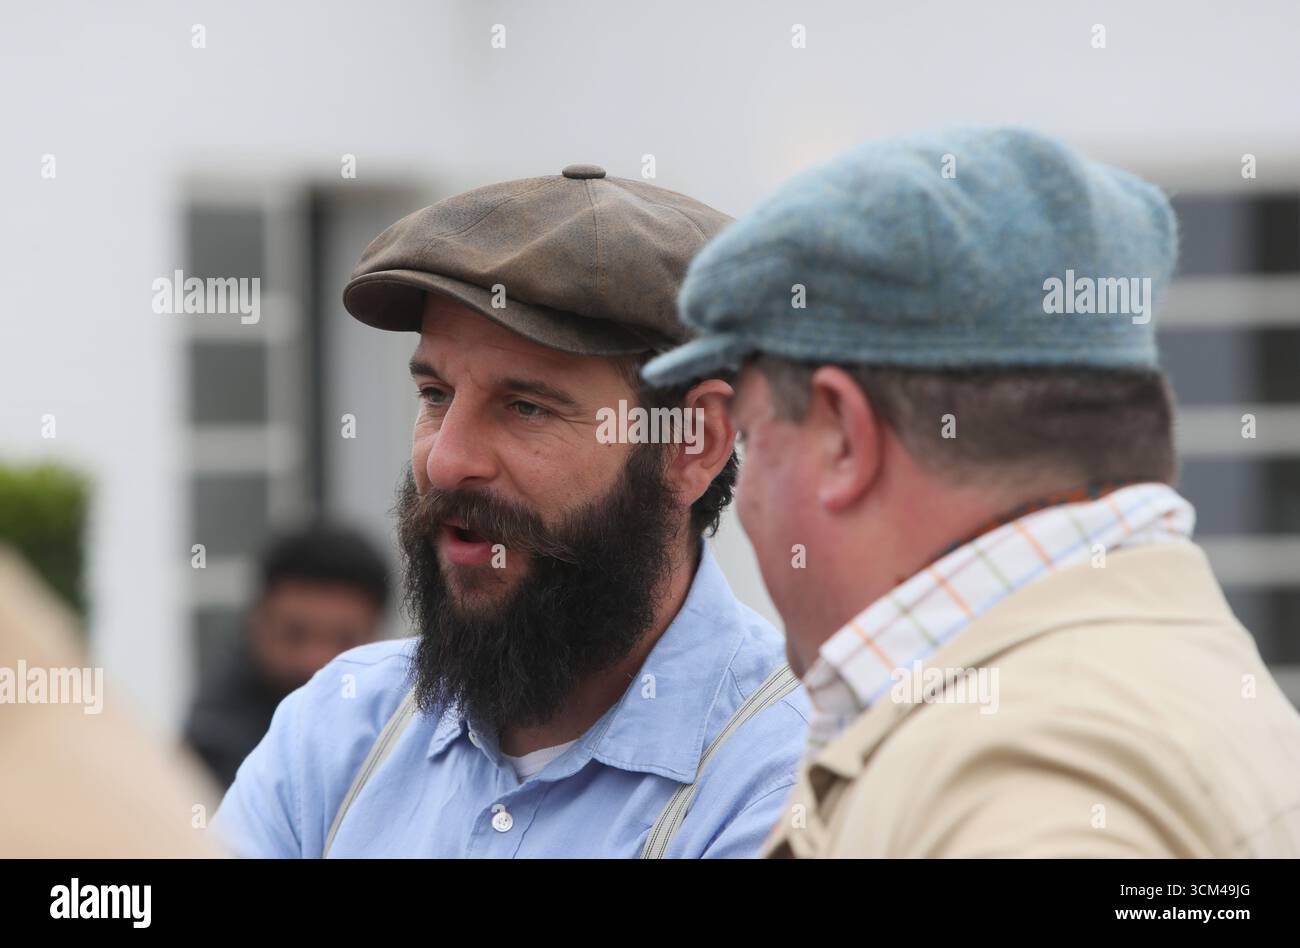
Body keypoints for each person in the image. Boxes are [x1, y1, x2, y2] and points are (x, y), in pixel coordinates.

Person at [643, 127, 1300, 857]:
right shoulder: (1182, 668)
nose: (752, 506)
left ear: (842, 438)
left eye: (756, 438)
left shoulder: (1018, 765)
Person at [214, 164, 809, 858]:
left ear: (691, 444)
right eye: (435, 394)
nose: (445, 461)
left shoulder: (784, 776)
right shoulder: (339, 728)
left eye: (525, 407)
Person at [185, 524, 389, 789]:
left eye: (344, 640)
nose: (316, 660)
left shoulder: (406, 728)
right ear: (257, 624)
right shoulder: (211, 746)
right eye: (296, 635)